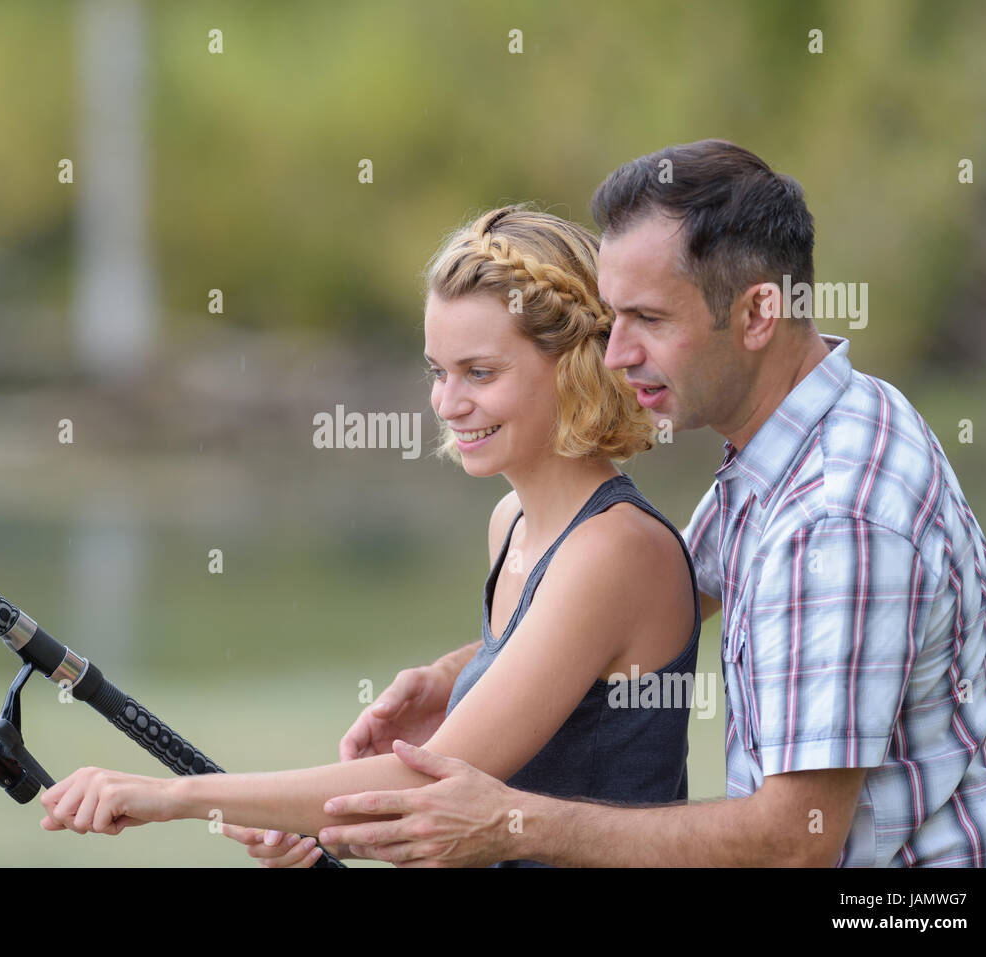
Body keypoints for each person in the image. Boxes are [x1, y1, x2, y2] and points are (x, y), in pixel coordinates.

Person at [308, 140, 986, 867]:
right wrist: (467, 672)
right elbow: (630, 594)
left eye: (648, 318)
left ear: (758, 313)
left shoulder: (835, 513)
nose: (614, 353)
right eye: (614, 317)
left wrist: (511, 822)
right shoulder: (807, 436)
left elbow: (791, 843)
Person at [37, 206, 703, 867]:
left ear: (572, 367)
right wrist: (319, 830)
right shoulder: (513, 523)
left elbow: (427, 784)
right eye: (438, 371)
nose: (447, 402)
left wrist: (171, 796)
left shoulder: (615, 549)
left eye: (479, 372)